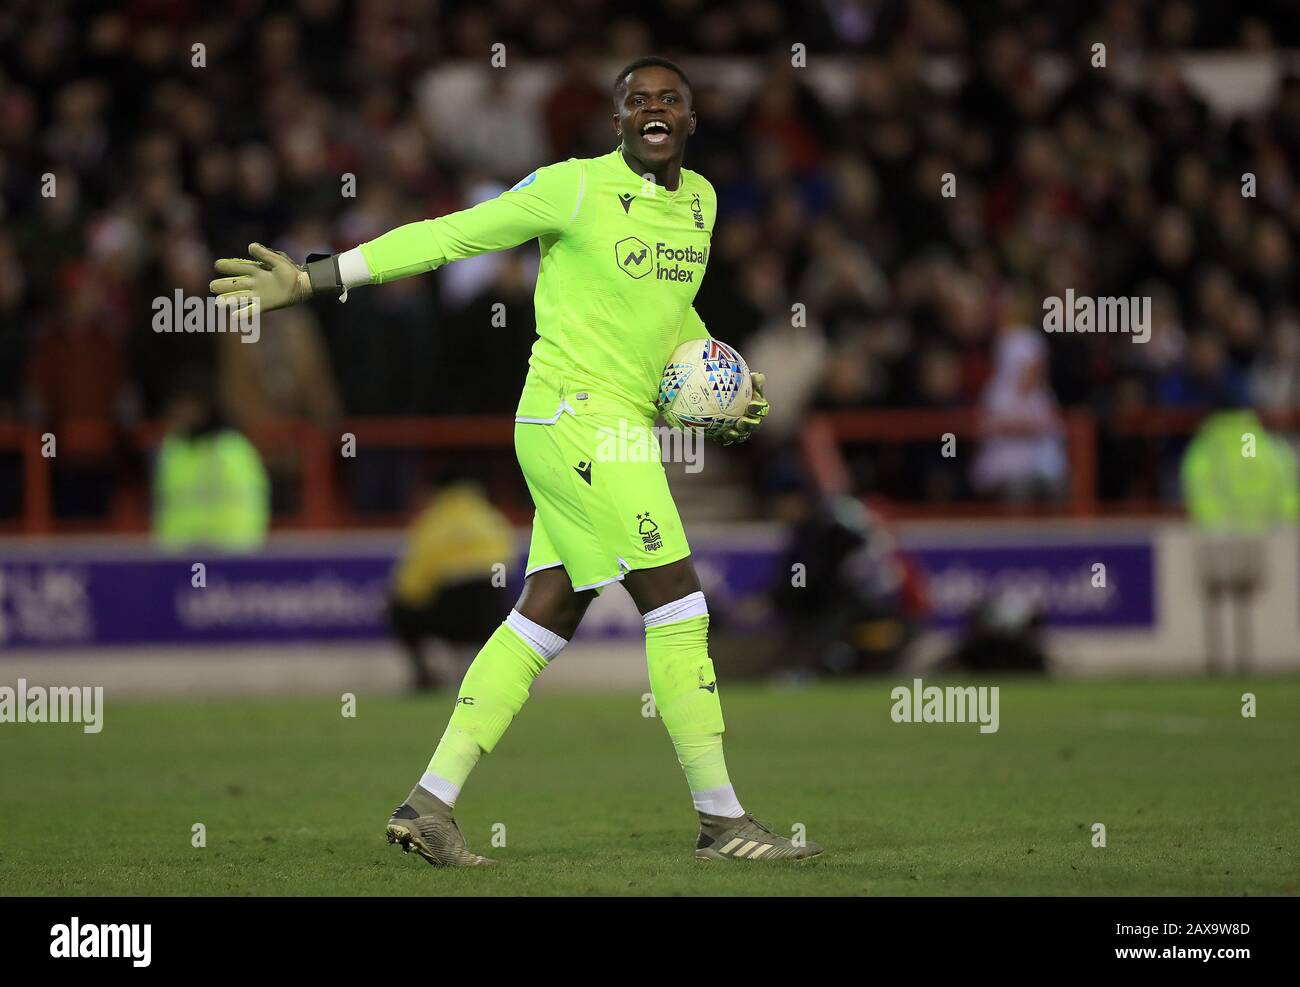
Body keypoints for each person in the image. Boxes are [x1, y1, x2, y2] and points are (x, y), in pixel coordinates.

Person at [209, 58, 819, 864]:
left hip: (616, 426)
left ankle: (429, 803)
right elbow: (449, 235)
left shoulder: (701, 204)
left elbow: (672, 314)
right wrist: (318, 276)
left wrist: (722, 379)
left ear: (692, 120)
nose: (654, 108)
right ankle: (721, 821)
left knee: (548, 610)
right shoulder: (570, 187)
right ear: (619, 121)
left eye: (670, 98)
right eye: (638, 100)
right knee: (677, 604)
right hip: (577, 418)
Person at [388, 478, 515, 691]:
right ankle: (501, 678)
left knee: (399, 609)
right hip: (494, 618)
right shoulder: (492, 519)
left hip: (450, 617)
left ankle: (426, 676)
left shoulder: (433, 522)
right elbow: (509, 563)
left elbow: (410, 585)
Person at [153, 377, 269, 552]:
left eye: (188, 405)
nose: (182, 412)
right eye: (179, 405)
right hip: (179, 555)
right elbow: (164, 505)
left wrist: (243, 547)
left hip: (230, 552)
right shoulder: (172, 448)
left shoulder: (232, 448)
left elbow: (250, 502)